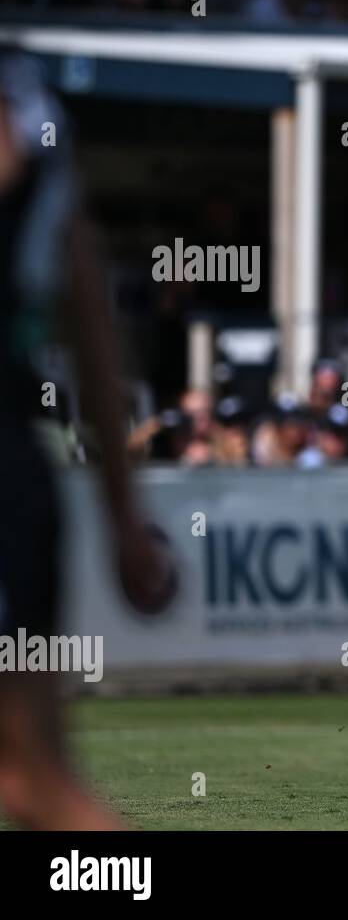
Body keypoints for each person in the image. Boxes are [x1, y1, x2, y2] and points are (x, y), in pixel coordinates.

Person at [0, 49, 168, 829]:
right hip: (17, 468)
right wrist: (123, 517)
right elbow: (93, 329)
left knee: (32, 779)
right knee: (32, 782)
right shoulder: (38, 98)